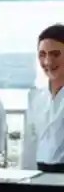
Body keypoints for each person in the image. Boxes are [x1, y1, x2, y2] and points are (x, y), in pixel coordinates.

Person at [20, 24, 64, 173]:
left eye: (55, 54)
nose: (48, 61)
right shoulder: (36, 97)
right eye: (42, 54)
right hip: (40, 177)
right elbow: (29, 147)